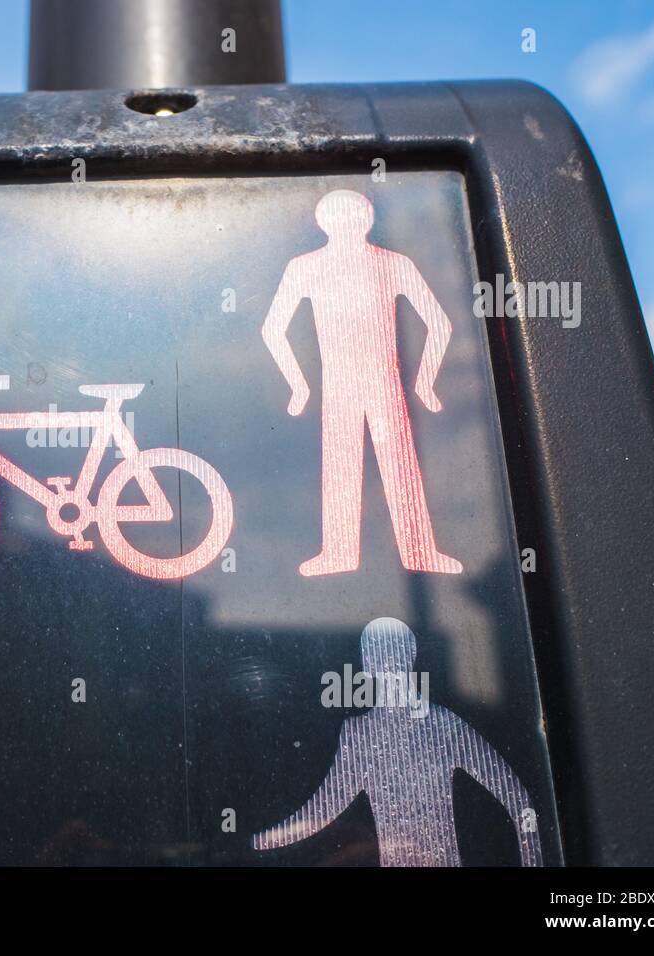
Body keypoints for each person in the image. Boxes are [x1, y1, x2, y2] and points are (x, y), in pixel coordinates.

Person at [262, 189, 461, 576]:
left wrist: (425, 382)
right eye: (339, 217)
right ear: (323, 223)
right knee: (340, 466)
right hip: (339, 384)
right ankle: (337, 553)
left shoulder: (393, 263)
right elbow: (273, 329)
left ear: (367, 220)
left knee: (400, 464)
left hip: (385, 381)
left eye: (354, 216)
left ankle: (421, 552)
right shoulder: (305, 267)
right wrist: (298, 385)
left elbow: (439, 323)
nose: (347, 224)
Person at [252, 617, 542, 866]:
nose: (387, 666)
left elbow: (515, 796)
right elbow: (326, 806)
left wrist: (533, 857)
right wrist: (264, 840)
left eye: (390, 658)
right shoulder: (361, 733)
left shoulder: (443, 726)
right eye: (381, 658)